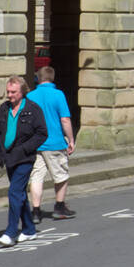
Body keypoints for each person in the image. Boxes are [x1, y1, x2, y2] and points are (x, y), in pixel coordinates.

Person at [0, 75, 48, 247]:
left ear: (23, 91)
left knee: (14, 192)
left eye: (13, 92)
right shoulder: (4, 108)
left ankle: (10, 232)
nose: (10, 95)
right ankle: (30, 229)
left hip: (24, 157)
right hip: (8, 158)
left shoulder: (33, 109)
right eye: (8, 91)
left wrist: (25, 149)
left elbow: (42, 133)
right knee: (20, 195)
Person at [27, 67, 75, 223]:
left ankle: (35, 211)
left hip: (36, 144)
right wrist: (71, 139)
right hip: (55, 142)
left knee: (36, 177)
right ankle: (59, 207)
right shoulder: (58, 94)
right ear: (52, 78)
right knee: (61, 176)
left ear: (39, 79)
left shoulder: (30, 96)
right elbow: (65, 120)